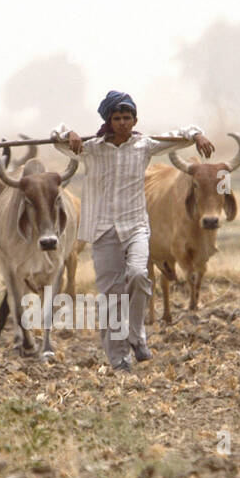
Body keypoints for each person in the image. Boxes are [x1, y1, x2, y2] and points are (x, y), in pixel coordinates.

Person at [51, 91, 213, 371]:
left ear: (135, 119)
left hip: (136, 226)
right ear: (109, 120)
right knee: (111, 295)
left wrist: (197, 135)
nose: (123, 123)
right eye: (117, 118)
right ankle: (119, 359)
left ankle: (137, 335)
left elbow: (180, 134)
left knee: (139, 275)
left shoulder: (144, 145)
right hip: (103, 230)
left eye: (128, 118)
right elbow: (57, 135)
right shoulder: (91, 148)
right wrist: (69, 133)